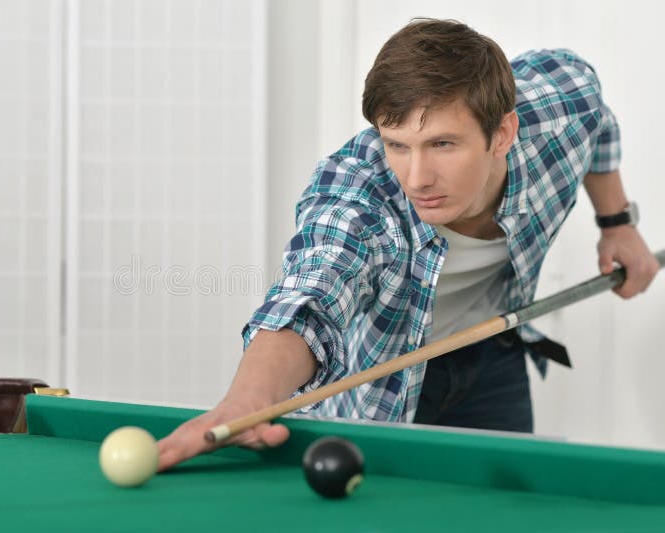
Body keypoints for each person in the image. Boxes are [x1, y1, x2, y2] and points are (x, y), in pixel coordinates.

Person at [157, 18, 660, 471]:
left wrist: (617, 223)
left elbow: (596, 123)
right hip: (386, 379)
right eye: (397, 144)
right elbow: (312, 292)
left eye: (442, 144)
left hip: (494, 353)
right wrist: (248, 399)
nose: (416, 178)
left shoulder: (560, 103)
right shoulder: (360, 195)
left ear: (503, 133)